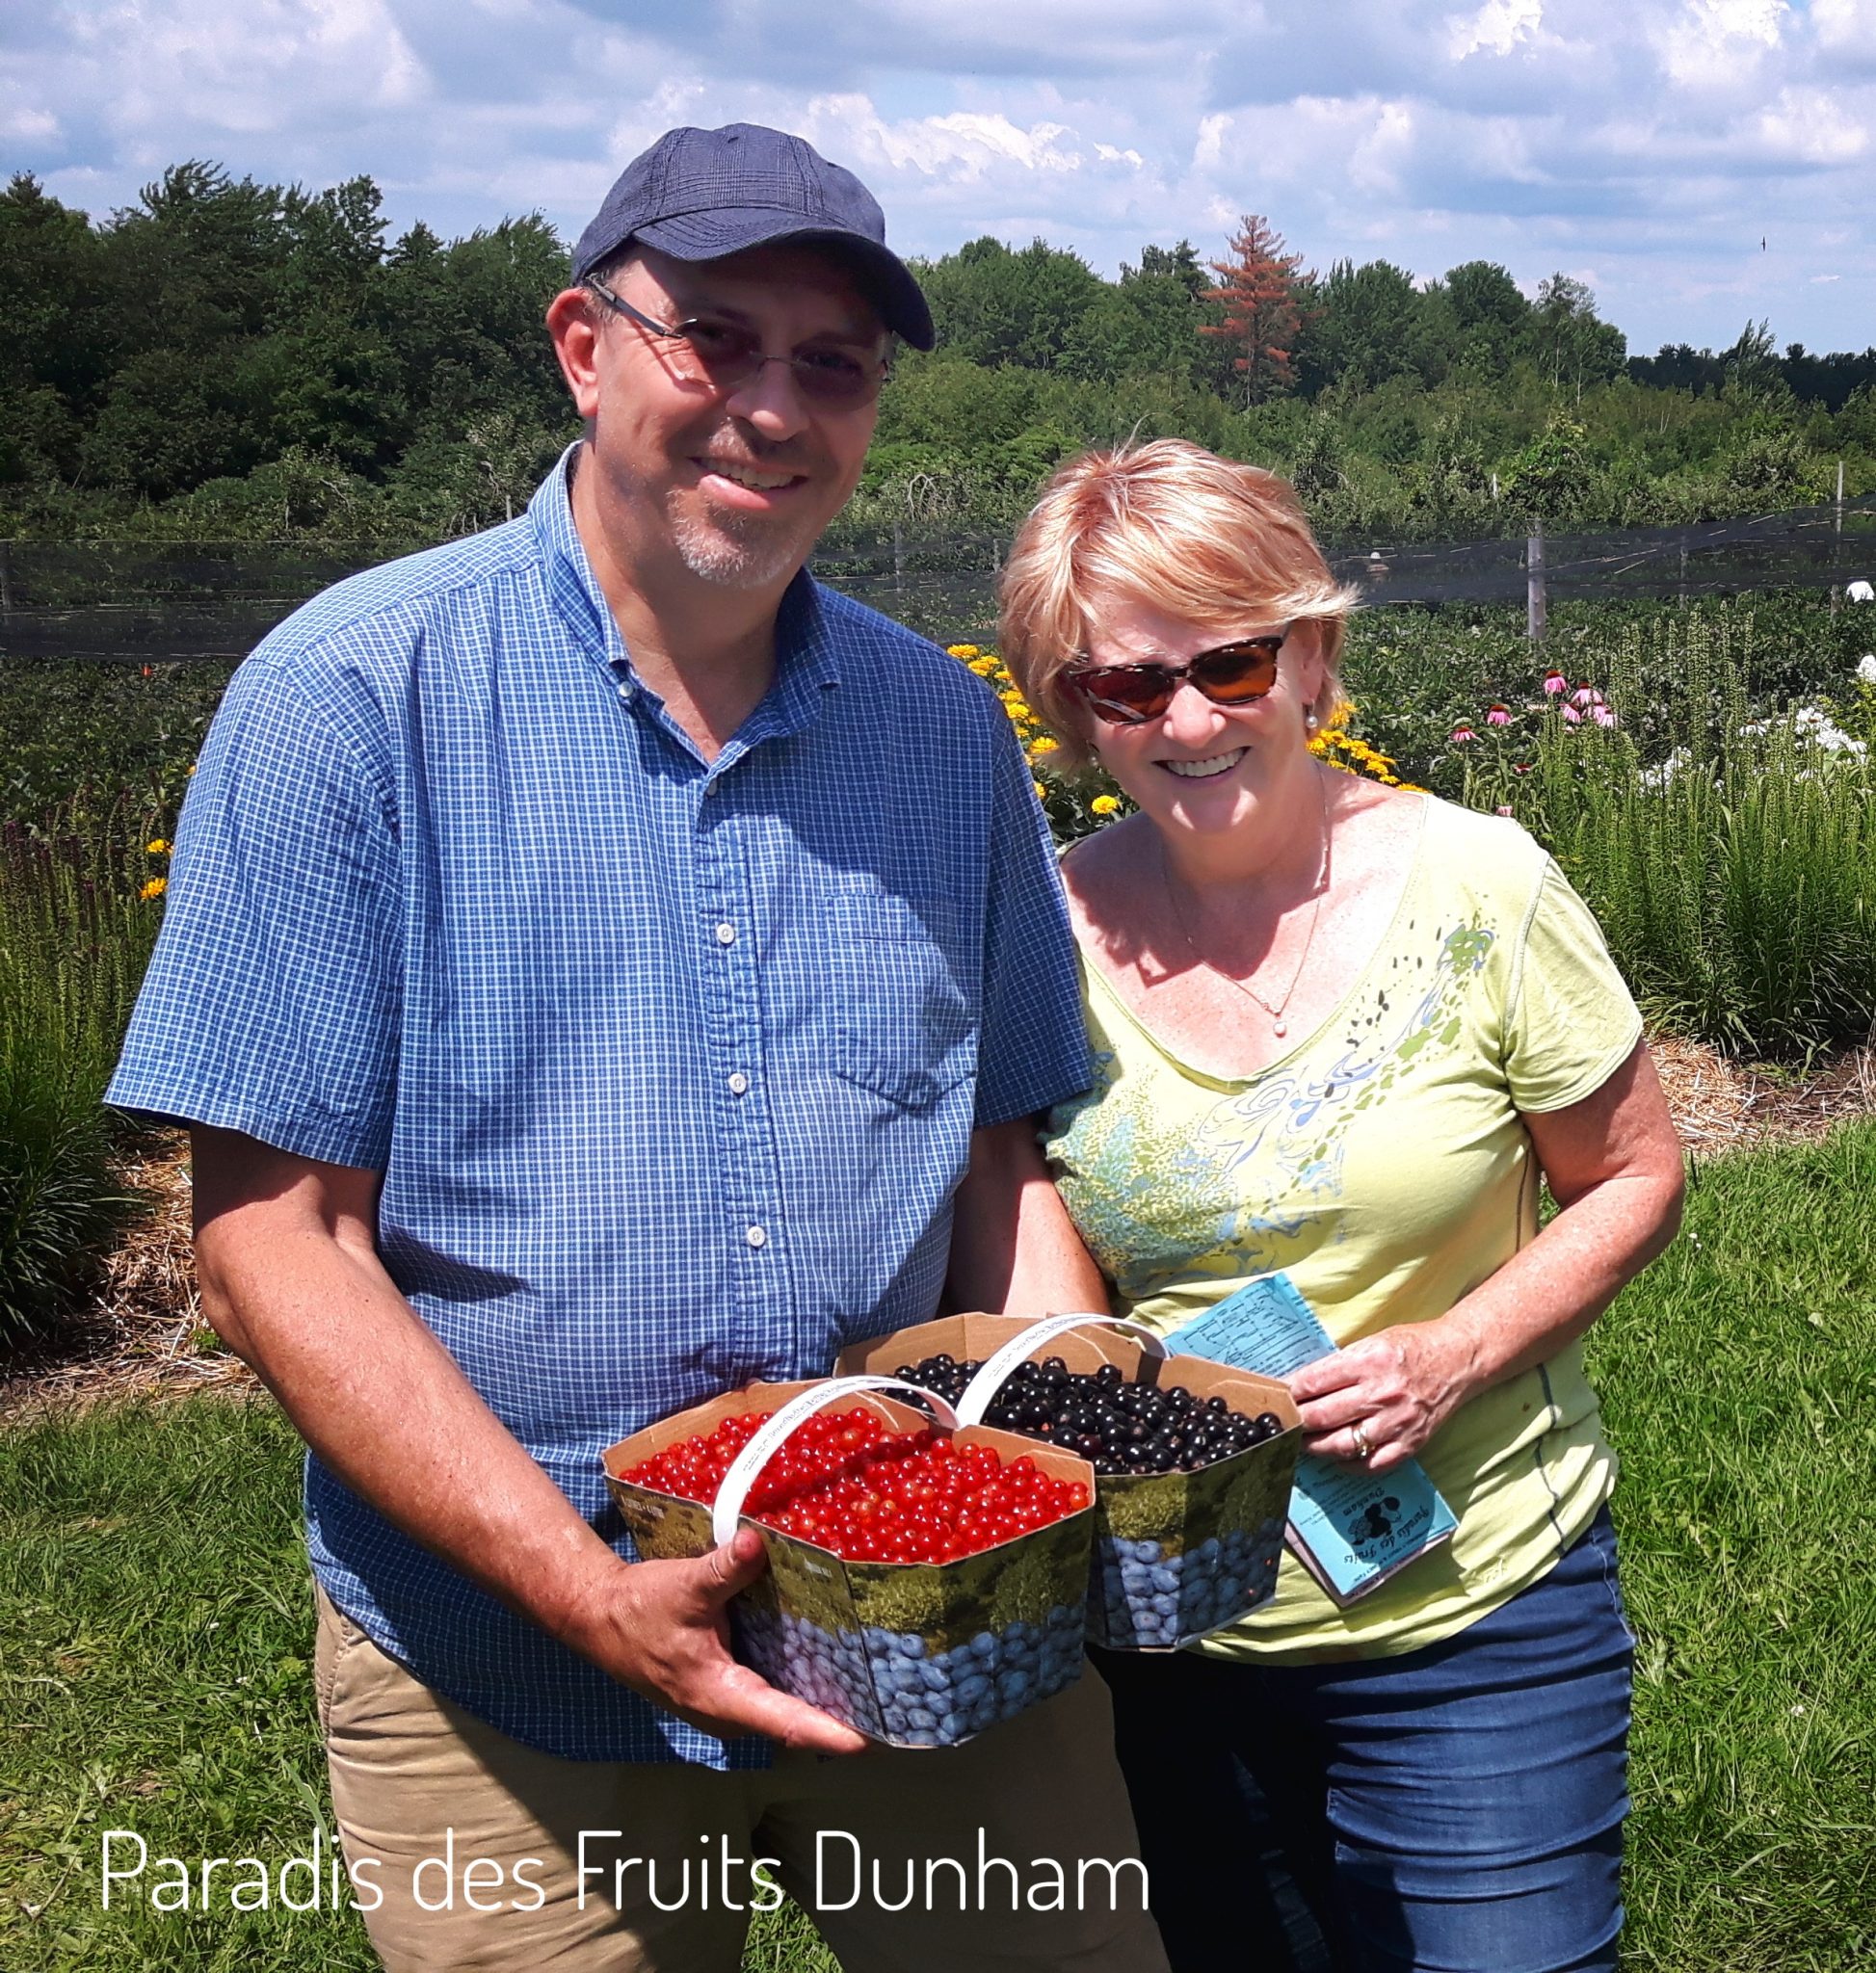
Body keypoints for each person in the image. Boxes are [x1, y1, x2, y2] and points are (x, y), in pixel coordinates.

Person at [107, 125, 1166, 1973]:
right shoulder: (351, 700)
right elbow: (271, 1237)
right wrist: (586, 1587)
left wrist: (1076, 1460)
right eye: (715, 338)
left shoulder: (943, 739)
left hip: (930, 1616)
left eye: (828, 363)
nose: (772, 407)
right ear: (583, 347)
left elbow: (998, 1172)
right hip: (505, 1666)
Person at [995, 438, 1686, 1973]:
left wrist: (1458, 1350)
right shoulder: (1045, 934)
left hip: (1477, 1609)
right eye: (1126, 687)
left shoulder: (1477, 886)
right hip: (1179, 1626)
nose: (1186, 719)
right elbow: (1026, 1207)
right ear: (1069, 713)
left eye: (1231, 663)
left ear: (1310, 657)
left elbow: (1637, 1173)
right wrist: (1083, 1408)